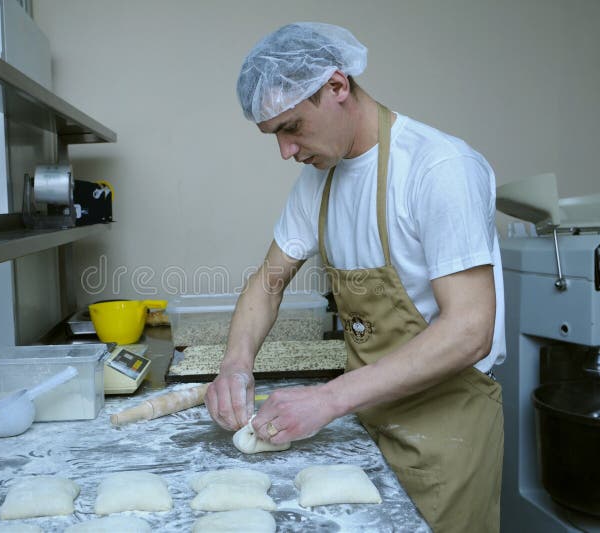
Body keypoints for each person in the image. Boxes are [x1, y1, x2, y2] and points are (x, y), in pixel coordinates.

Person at [204, 22, 505, 532]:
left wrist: (328, 398)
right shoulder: (317, 182)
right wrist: (235, 362)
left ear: (337, 87)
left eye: (292, 127)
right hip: (364, 421)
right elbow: (269, 280)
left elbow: (470, 329)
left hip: (446, 430)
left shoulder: (438, 168)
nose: (285, 151)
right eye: (273, 135)